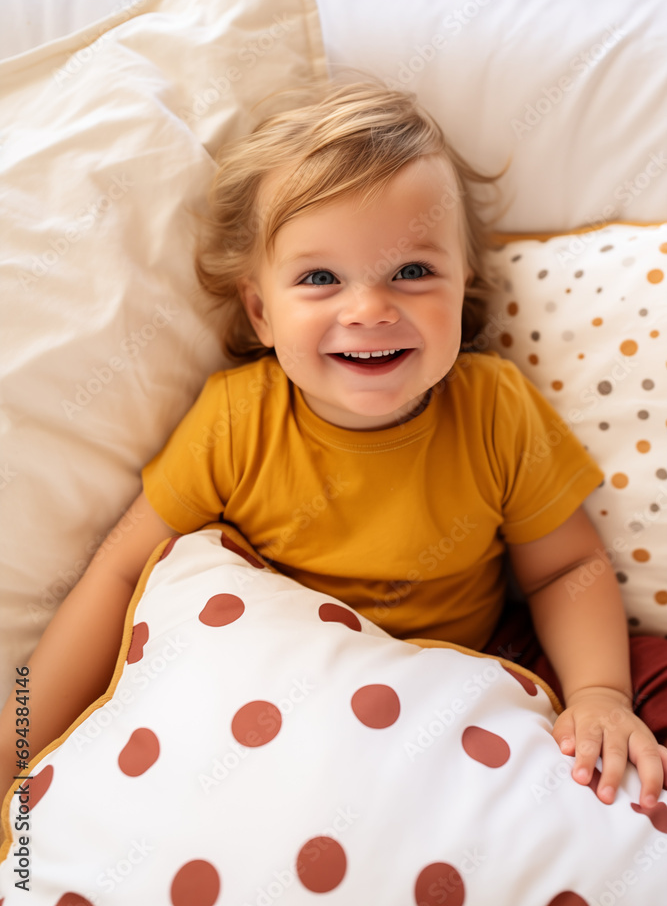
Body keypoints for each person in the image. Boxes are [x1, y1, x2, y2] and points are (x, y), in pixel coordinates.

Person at [1, 77, 666, 840]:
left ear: (462, 285)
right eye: (320, 278)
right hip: (283, 695)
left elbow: (562, 568)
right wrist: (20, 747)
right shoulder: (236, 420)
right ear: (259, 310)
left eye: (412, 272)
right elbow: (121, 571)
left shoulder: (494, 407)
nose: (369, 309)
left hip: (470, 677)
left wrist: (599, 694)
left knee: (647, 684)